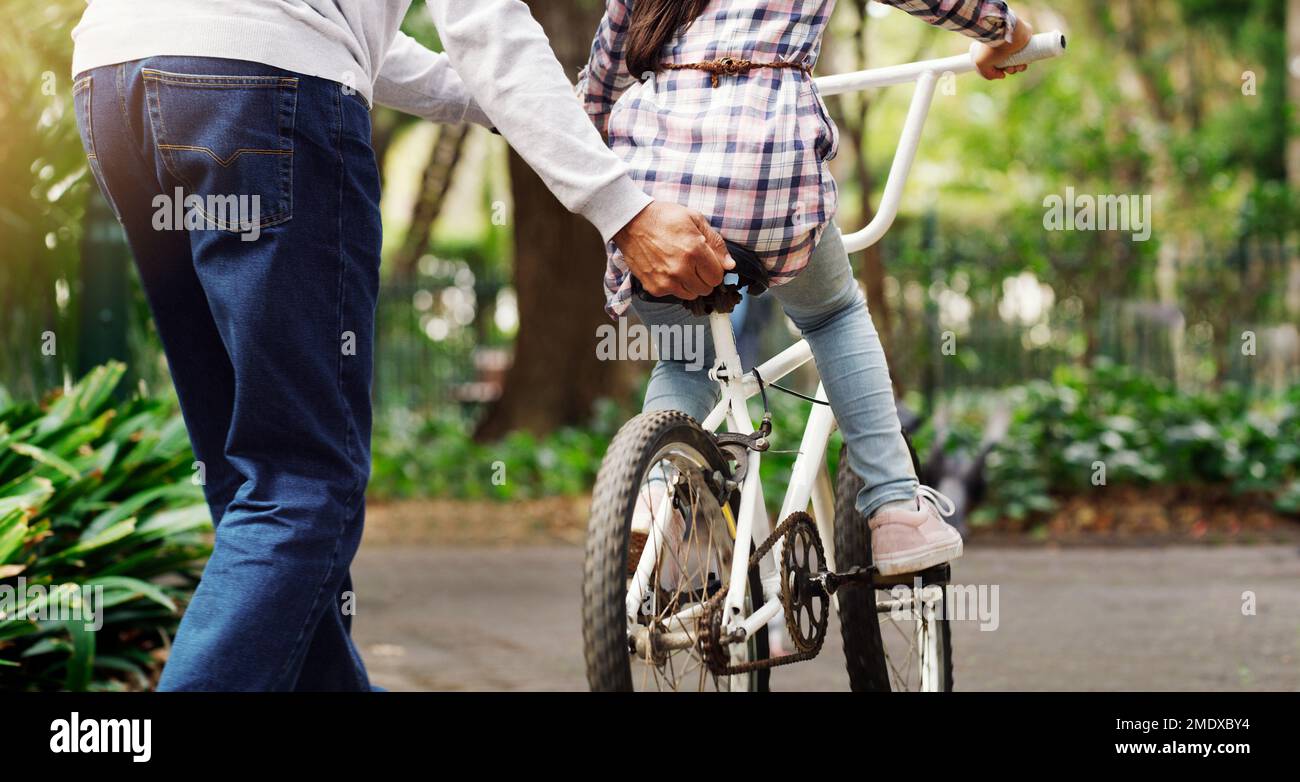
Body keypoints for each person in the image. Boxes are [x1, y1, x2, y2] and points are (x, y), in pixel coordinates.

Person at [70, 0, 734, 691]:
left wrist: (537, 109)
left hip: (117, 77)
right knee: (302, 483)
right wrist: (622, 208)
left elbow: (363, 42)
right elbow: (483, 25)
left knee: (253, 480)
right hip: (258, 93)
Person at [578, 0, 1034, 576]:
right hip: (764, 178)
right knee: (832, 314)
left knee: (686, 360)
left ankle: (648, 498)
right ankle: (894, 506)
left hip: (652, 205)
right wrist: (1005, 32)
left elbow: (599, 89)